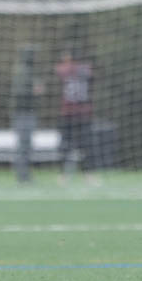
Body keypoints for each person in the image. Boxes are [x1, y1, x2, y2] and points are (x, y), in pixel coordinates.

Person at [55, 47, 96, 185]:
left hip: (70, 113)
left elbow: (59, 70)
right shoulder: (85, 69)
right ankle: (87, 175)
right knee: (84, 145)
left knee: (67, 145)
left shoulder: (65, 69)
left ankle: (64, 175)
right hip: (83, 113)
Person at [10, 44, 44, 184]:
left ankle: (24, 175)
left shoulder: (26, 71)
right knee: (24, 145)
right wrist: (35, 90)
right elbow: (20, 93)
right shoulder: (23, 72)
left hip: (25, 113)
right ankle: (22, 176)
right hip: (23, 113)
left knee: (26, 145)